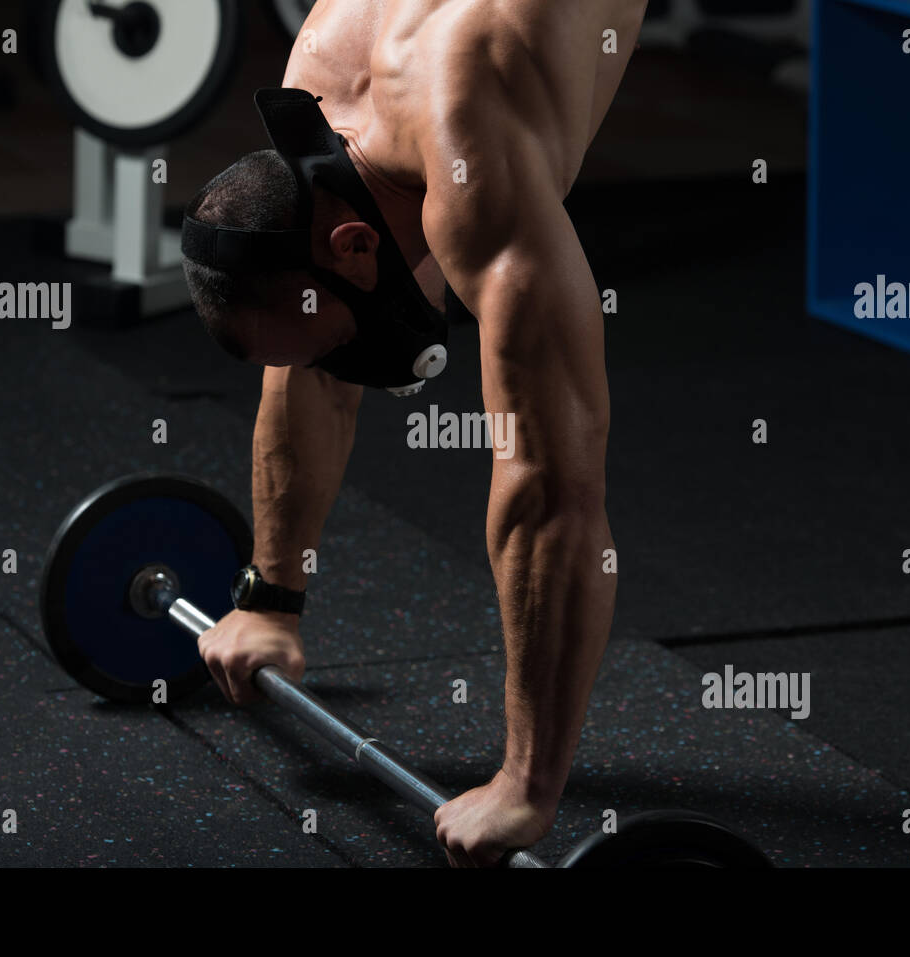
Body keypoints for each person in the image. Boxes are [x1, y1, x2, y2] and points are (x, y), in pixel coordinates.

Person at [183, 0, 646, 867]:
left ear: (356, 246)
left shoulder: (477, 155)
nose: (345, 363)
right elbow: (305, 352)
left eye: (336, 344)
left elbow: (550, 489)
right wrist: (267, 595)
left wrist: (525, 785)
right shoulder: (315, 88)